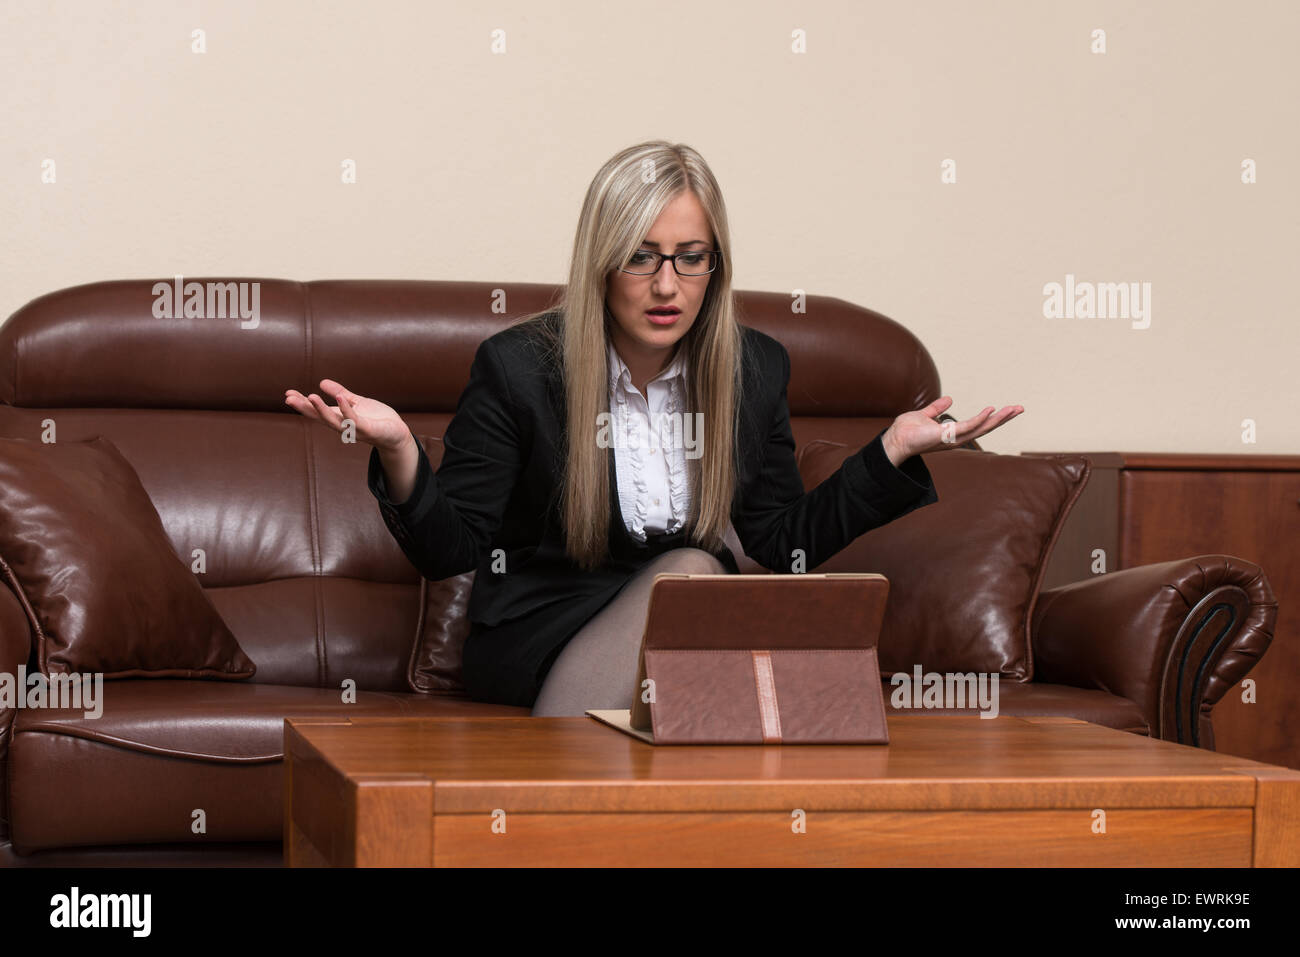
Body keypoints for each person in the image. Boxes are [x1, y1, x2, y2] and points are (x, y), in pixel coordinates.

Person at [284, 140, 1023, 716]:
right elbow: (453, 549)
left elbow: (779, 543)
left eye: (690, 258)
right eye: (641, 257)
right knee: (695, 575)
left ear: (715, 265)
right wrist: (401, 450)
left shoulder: (754, 369)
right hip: (546, 629)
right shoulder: (518, 368)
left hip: (690, 636)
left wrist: (890, 453)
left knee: (702, 595)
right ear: (602, 261)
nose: (667, 285)